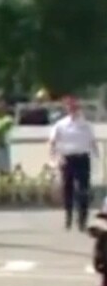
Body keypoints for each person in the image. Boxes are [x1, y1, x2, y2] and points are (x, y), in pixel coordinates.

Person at [49, 95, 96, 231]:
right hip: (67, 159)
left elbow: (92, 143)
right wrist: (53, 158)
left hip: (82, 158)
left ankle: (82, 219)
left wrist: (97, 158)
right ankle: (68, 216)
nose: (73, 110)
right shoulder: (61, 125)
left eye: (75, 107)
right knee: (67, 189)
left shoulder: (86, 125)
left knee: (83, 190)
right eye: (70, 107)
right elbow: (52, 142)